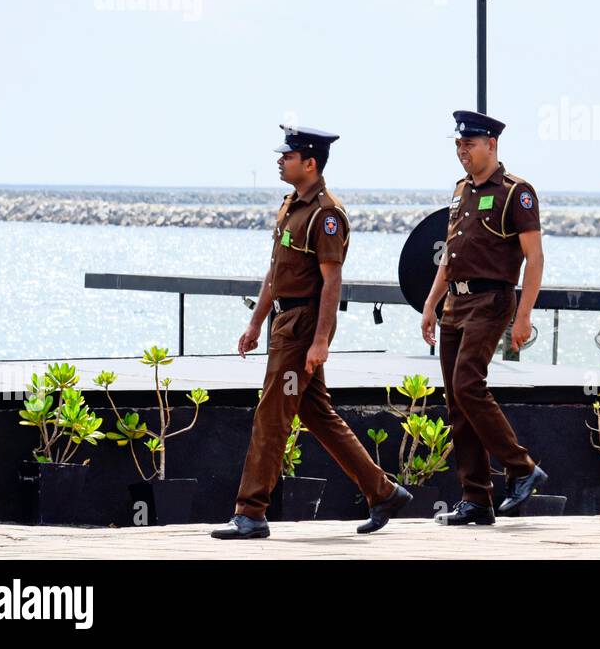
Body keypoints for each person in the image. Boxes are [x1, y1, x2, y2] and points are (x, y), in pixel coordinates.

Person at [211, 125, 410, 540]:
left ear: (310, 163)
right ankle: (383, 491)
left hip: (302, 329)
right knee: (317, 414)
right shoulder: (291, 206)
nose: (280, 160)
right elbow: (274, 272)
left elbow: (331, 283)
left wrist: (321, 341)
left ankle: (250, 512)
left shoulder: (326, 215)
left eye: (288, 155)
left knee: (271, 415)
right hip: (283, 324)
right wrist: (254, 323)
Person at [420, 110, 548, 525]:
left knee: (468, 385)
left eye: (469, 145)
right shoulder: (460, 190)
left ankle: (522, 467)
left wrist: (523, 315)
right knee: (457, 401)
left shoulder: (517, 192)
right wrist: (430, 303)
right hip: (454, 305)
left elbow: (535, 258)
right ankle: (476, 499)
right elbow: (450, 256)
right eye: (458, 145)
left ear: (491, 145)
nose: (462, 152)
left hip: (491, 301)